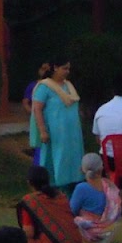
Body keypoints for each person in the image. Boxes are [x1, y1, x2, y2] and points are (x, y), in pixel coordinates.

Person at [29, 60, 82, 190]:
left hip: (72, 134)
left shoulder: (68, 86)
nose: (67, 72)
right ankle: (54, 189)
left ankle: (72, 187)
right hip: (55, 133)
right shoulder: (44, 87)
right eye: (64, 68)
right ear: (55, 68)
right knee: (55, 160)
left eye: (68, 69)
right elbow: (37, 109)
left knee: (73, 160)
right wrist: (42, 131)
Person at [16, 166, 84, 243]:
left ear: (29, 182)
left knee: (15, 242)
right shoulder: (61, 197)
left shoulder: (30, 201)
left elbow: (28, 233)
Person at [69, 153, 122, 243]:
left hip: (87, 231)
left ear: (82, 170)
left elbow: (71, 211)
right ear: (101, 169)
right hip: (107, 231)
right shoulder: (109, 186)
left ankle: (89, 238)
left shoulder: (81, 188)